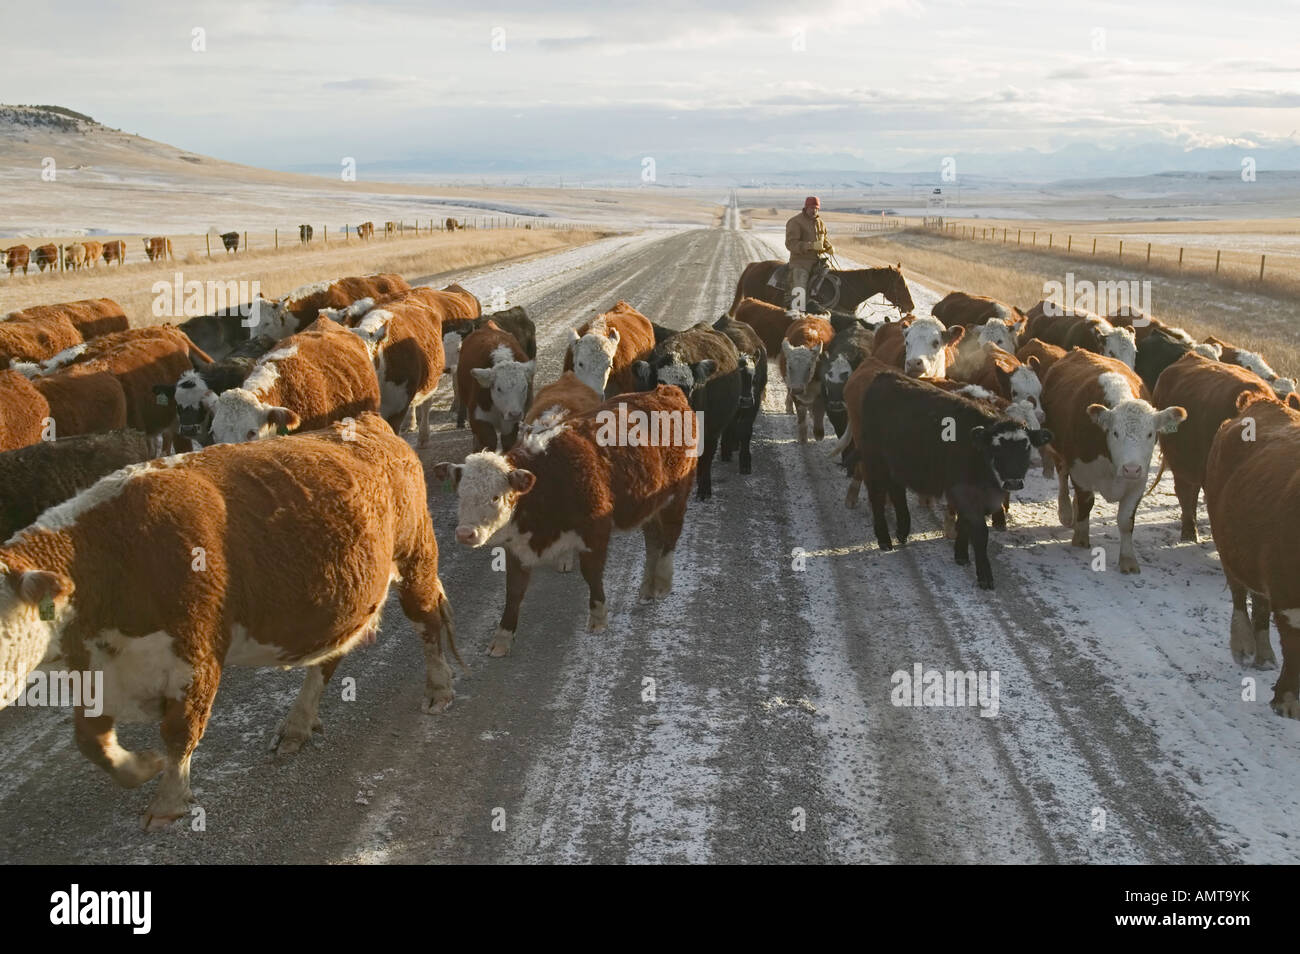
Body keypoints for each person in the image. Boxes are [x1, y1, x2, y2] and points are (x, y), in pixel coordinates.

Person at [784, 196, 834, 309]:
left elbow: (823, 239)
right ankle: (797, 312)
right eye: (811, 208)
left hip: (818, 262)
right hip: (801, 263)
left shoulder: (820, 223)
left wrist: (828, 246)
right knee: (800, 289)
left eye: (816, 208)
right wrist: (811, 246)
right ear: (806, 208)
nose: (814, 210)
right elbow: (791, 244)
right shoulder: (795, 222)